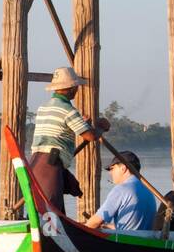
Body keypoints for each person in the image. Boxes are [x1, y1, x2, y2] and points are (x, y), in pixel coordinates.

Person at [28, 67, 110, 215]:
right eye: (76, 86)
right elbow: (90, 136)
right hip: (50, 165)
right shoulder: (68, 110)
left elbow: (58, 129)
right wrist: (101, 128)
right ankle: (45, 238)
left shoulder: (43, 108)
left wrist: (82, 124)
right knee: (49, 214)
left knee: (41, 210)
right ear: (71, 88)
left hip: (35, 163)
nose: (77, 89)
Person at [85, 151, 157, 232]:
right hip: (144, 241)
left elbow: (95, 222)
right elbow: (135, 225)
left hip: (126, 241)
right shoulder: (149, 190)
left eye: (112, 168)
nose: (110, 173)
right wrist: (107, 226)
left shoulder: (121, 189)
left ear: (123, 168)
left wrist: (81, 229)